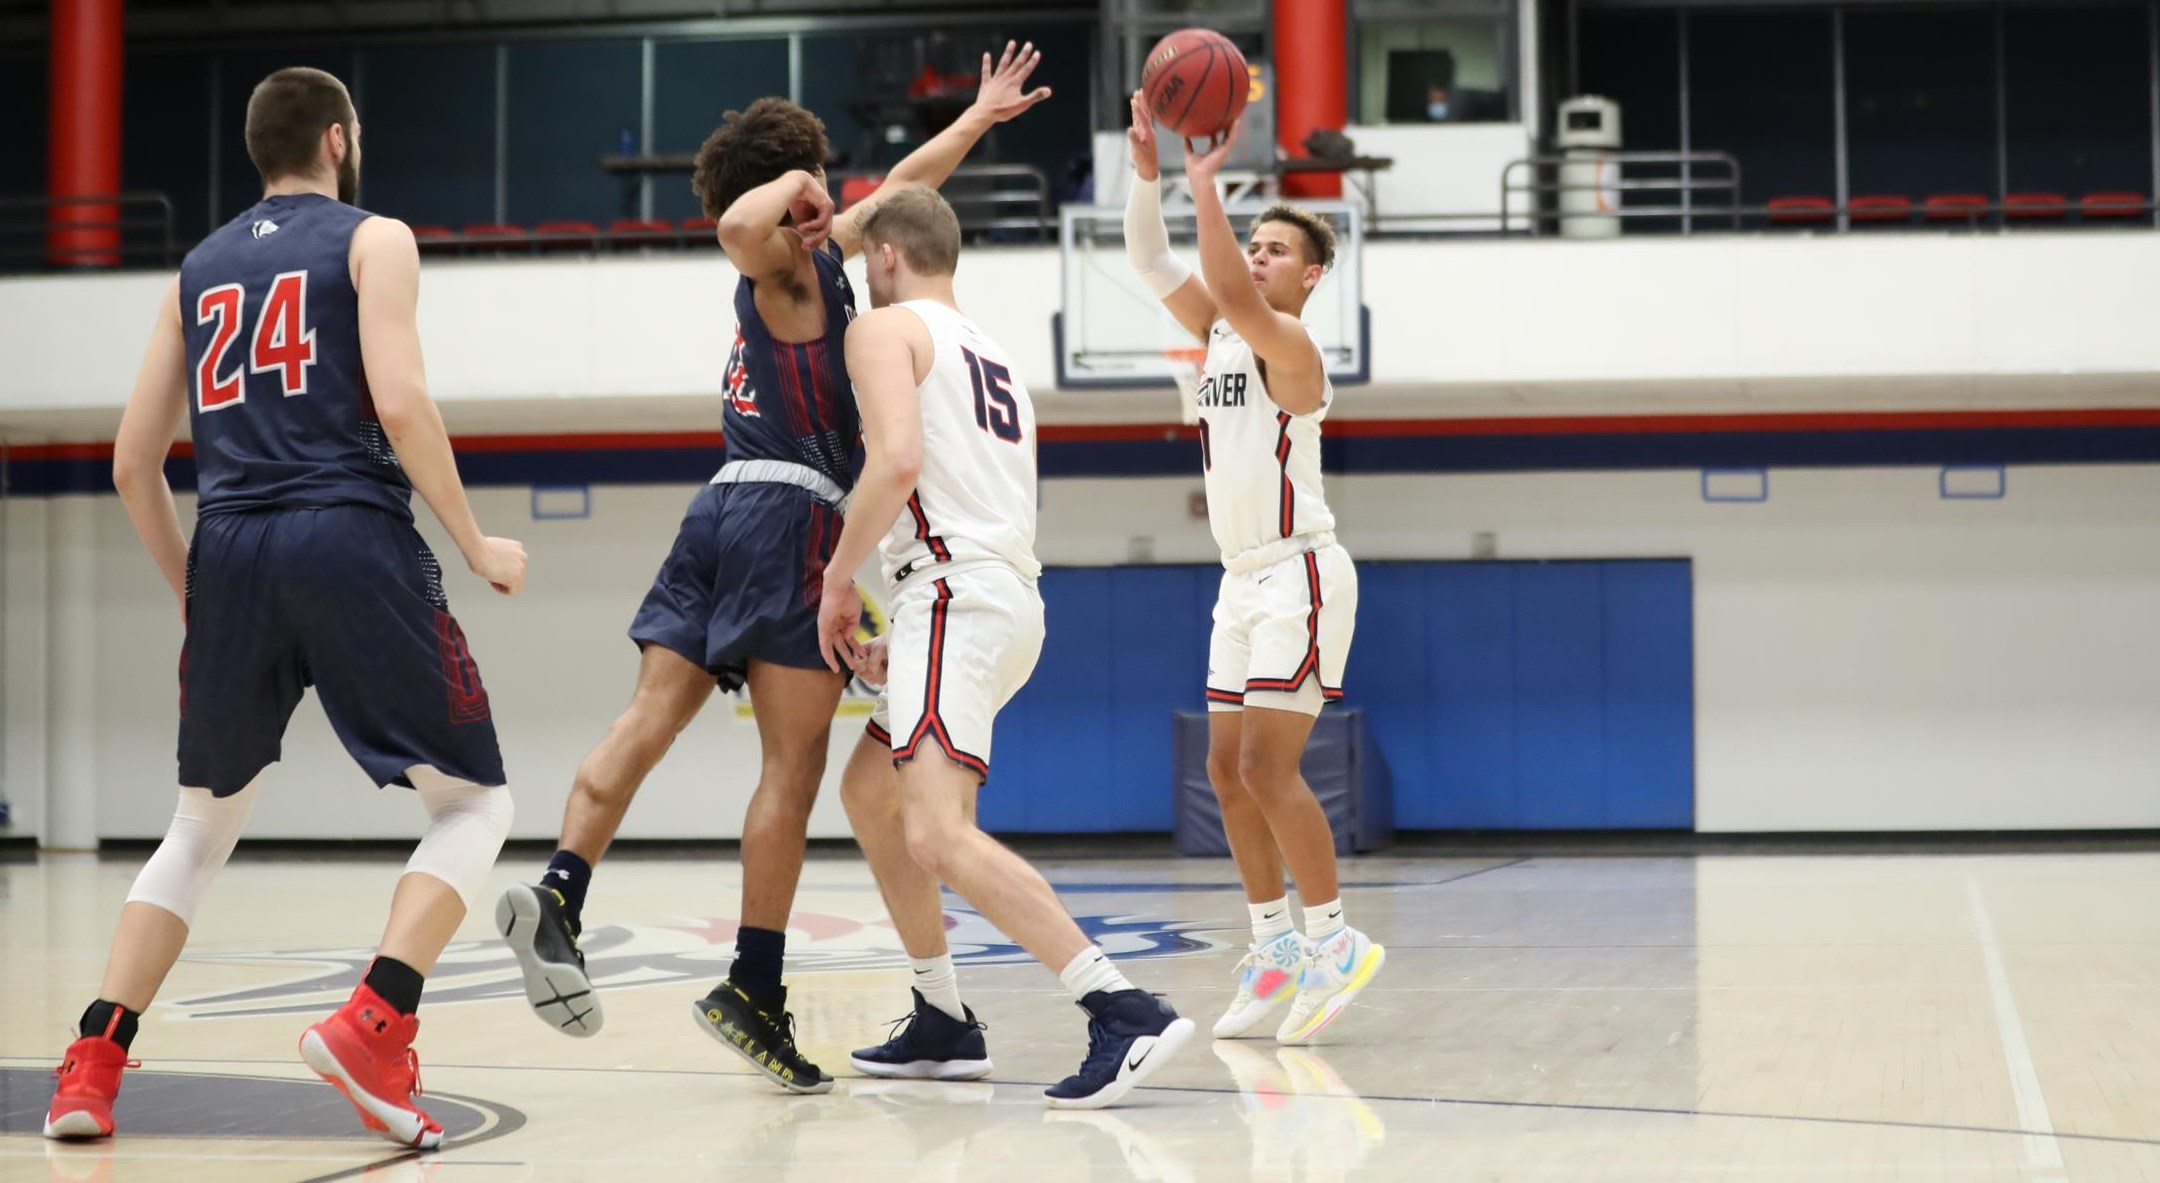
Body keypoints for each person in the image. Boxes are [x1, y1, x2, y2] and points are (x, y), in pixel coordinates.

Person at [494, 44, 1050, 1094]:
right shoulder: (787, 258)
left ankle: (562, 889)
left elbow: (903, 187)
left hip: (717, 509)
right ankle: (754, 985)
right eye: (819, 176)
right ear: (794, 176)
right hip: (791, 514)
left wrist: (975, 121)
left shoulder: (819, 256)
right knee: (790, 777)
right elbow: (739, 225)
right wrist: (796, 186)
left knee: (647, 719)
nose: (840, 194)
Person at [43, 66, 525, 1149]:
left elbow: (131, 464)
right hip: (346, 530)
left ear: (263, 150)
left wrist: (195, 592)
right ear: (339, 142)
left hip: (232, 547)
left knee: (198, 827)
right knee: (473, 804)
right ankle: (374, 1017)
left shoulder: (194, 268)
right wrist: (474, 541)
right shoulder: (376, 238)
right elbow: (400, 400)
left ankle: (91, 1064)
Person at [816, 186, 1196, 1109]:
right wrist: (906, 619)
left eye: (865, 256)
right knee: (870, 790)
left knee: (937, 830)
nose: (860, 271)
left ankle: (1120, 1004)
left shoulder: (882, 330)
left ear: (890, 256)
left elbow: (897, 462)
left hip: (955, 594)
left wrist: (838, 579)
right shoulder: (990, 350)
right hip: (988, 594)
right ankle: (941, 1015)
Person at [1123, 94, 1384, 1043]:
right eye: (1256, 243)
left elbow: (1229, 288)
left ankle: (1336, 939)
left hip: (1302, 573)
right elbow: (1152, 262)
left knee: (1271, 770)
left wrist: (1206, 183)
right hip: (1240, 579)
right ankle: (1273, 945)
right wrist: (1151, 172)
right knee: (1225, 771)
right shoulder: (1228, 332)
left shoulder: (1292, 343)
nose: (1260, 257)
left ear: (1311, 277)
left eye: (1278, 249)